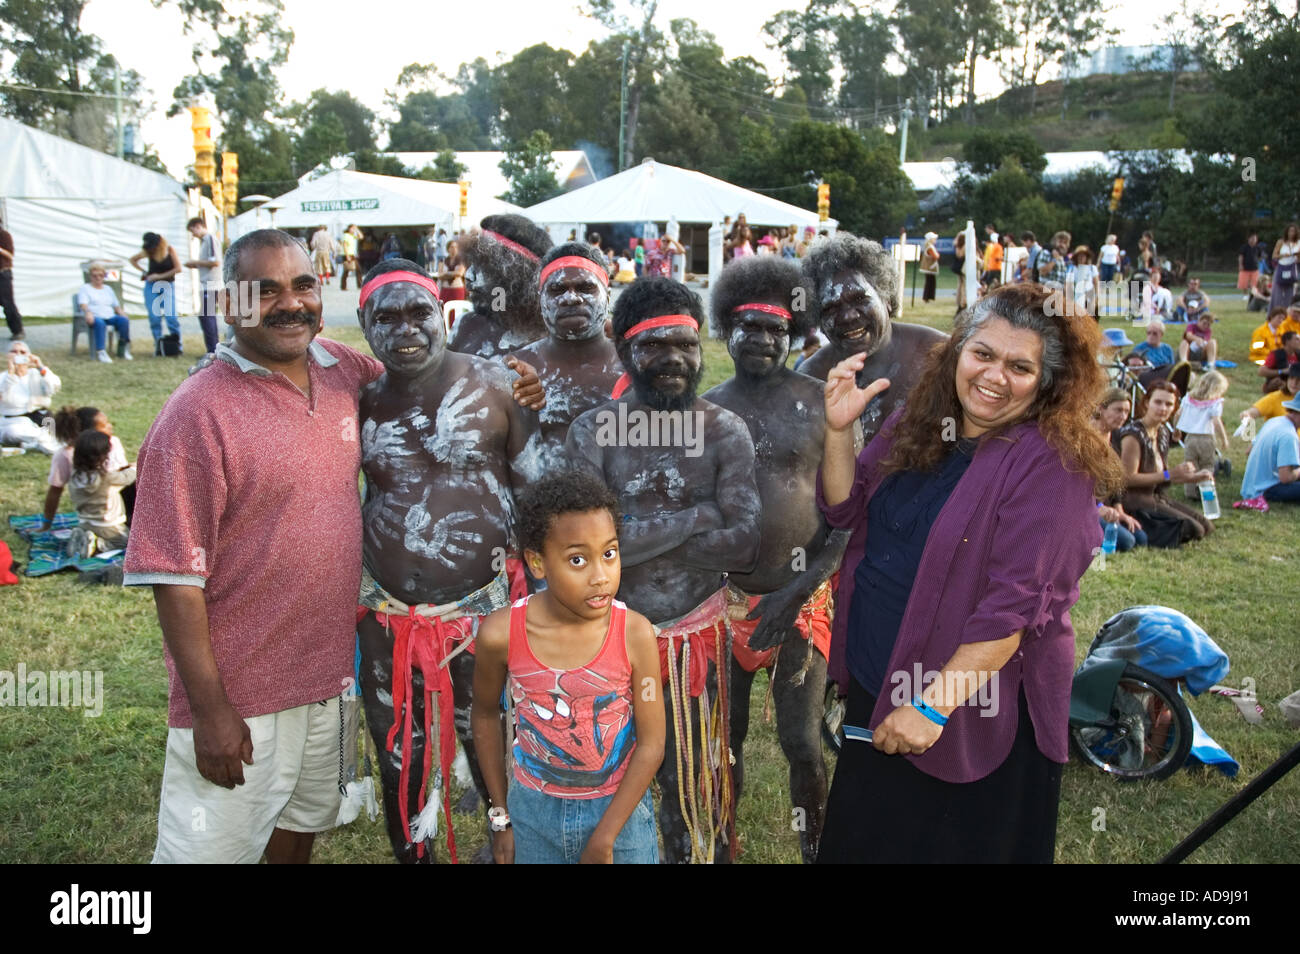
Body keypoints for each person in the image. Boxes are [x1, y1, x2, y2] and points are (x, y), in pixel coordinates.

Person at [815, 283, 1122, 863]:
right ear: (959, 349)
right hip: (885, 680)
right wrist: (838, 431)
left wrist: (931, 707)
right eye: (983, 354)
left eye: (1020, 366)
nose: (994, 376)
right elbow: (844, 506)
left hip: (970, 708)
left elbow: (1013, 607)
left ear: (1048, 381)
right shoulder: (925, 420)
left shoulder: (1052, 465)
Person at [123, 228, 385, 864]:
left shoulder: (343, 368)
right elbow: (173, 578)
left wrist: (515, 387)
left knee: (297, 839)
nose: (290, 303)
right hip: (239, 697)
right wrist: (210, 712)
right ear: (227, 302)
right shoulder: (196, 414)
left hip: (327, 680)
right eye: (264, 291)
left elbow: (421, 388)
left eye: (302, 286)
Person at [565, 277, 762, 863]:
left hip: (691, 639)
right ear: (625, 351)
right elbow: (582, 553)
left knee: (694, 778)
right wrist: (697, 516)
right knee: (605, 780)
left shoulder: (723, 429)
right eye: (654, 345)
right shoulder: (593, 431)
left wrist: (626, 541)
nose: (673, 359)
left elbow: (746, 544)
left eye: (686, 345)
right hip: (610, 640)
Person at [353, 258, 543, 863]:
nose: (406, 328)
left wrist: (542, 593)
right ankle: (413, 854)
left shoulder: (500, 384)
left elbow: (534, 493)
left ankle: (502, 843)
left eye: (419, 313)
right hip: (384, 611)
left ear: (443, 315)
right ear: (365, 325)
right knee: (397, 747)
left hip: (480, 607)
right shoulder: (357, 398)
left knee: (486, 730)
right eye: (387, 317)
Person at [702, 255, 846, 863]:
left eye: (776, 329)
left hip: (803, 598)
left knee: (803, 741)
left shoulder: (823, 403)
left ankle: (815, 846)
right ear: (725, 330)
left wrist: (796, 593)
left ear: (796, 334)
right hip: (722, 605)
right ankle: (723, 847)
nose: (762, 340)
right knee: (723, 740)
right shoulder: (704, 408)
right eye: (749, 327)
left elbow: (845, 520)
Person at [471, 472, 665, 864]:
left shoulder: (635, 634)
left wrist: (605, 837)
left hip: (620, 815)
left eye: (609, 553)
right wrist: (501, 817)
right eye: (578, 559)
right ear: (538, 563)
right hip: (533, 814)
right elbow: (485, 714)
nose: (600, 576)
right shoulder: (500, 634)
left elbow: (651, 744)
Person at [797, 233, 948, 447]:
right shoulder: (812, 379)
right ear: (819, 320)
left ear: (886, 297)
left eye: (860, 299)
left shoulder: (938, 355)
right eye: (831, 308)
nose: (849, 316)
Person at [510, 243, 623, 479]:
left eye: (586, 288)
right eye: (557, 290)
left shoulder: (635, 368)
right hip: (537, 509)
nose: (571, 298)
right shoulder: (515, 370)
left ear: (608, 296)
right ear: (540, 300)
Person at [1114, 381, 1214, 547]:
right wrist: (1169, 474)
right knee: (1194, 529)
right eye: (1158, 402)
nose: (1163, 408)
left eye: (1168, 404)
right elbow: (1127, 479)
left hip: (1157, 497)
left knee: (1206, 526)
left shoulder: (1162, 432)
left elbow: (1163, 477)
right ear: (1147, 403)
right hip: (1135, 500)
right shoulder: (1134, 435)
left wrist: (1192, 478)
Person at [449, 214, 553, 360]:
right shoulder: (465, 325)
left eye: (484, 267)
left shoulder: (552, 338)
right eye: (471, 263)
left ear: (516, 278)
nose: (469, 276)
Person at [43, 406, 131, 530]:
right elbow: (55, 490)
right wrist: (46, 523)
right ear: (89, 433)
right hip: (95, 509)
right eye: (104, 425)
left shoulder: (114, 442)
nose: (110, 426)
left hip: (122, 501)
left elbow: (124, 472)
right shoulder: (65, 455)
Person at [65, 428, 136, 557]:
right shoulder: (107, 479)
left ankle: (82, 536)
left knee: (90, 528)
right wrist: (135, 466)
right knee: (131, 543)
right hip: (108, 526)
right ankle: (99, 545)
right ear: (104, 455)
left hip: (84, 522)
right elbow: (129, 477)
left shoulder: (75, 476)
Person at [1093, 388, 1145, 551]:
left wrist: (1119, 511)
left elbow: (1116, 483)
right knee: (1126, 541)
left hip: (1105, 505)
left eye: (1126, 411)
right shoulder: (1086, 437)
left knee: (1140, 538)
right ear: (1101, 408)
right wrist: (1099, 508)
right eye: (1118, 410)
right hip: (1083, 506)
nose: (1123, 416)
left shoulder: (1114, 436)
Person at [1175, 371, 1229, 500]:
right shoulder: (1215, 403)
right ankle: (1207, 494)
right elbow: (1216, 422)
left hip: (1190, 438)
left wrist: (1176, 430)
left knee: (1191, 465)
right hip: (1206, 438)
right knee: (1207, 466)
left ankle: (1190, 492)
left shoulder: (1188, 398)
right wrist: (1224, 438)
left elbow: (1178, 414)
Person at [0, 341, 60, 453]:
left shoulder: (38, 374)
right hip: (13, 422)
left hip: (41, 418)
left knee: (58, 429)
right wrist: (10, 375)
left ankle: (34, 443)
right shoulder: (3, 378)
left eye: (22, 352)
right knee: (12, 432)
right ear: (7, 355)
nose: (18, 354)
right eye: (14, 351)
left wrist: (40, 367)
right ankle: (39, 442)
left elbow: (54, 388)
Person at [1240, 396, 1300, 504]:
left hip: (1250, 487)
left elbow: (1249, 451)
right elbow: (1285, 477)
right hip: (1266, 490)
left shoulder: (1274, 421)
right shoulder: (1289, 436)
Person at [129, 232, 183, 353]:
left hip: (167, 285)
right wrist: (144, 272)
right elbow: (132, 260)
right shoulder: (148, 252)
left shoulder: (169, 250)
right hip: (151, 286)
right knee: (154, 317)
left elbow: (178, 269)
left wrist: (158, 276)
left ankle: (177, 344)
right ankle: (159, 345)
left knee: (171, 316)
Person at [76, 264, 133, 363]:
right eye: (95, 276)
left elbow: (116, 305)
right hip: (95, 316)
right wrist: (88, 313)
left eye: (100, 275)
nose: (98, 278)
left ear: (104, 276)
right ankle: (101, 351)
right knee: (100, 323)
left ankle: (123, 349)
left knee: (124, 321)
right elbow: (83, 304)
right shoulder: (85, 288)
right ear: (91, 276)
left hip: (109, 315)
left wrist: (122, 313)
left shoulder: (108, 289)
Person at [184, 217, 222, 353]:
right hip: (207, 284)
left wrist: (196, 262)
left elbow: (215, 262)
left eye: (192, 231)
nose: (193, 235)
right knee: (206, 316)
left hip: (212, 284)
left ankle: (213, 349)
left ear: (198, 226)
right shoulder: (205, 241)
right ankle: (213, 348)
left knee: (207, 316)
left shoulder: (210, 239)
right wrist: (196, 265)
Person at [0, 212, 24, 340]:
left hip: (3, 274)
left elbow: (10, 255)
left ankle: (17, 330)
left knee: (8, 304)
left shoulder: (4, 235)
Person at [1270, 223, 1299, 312]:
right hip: (1281, 267)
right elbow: (1274, 256)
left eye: (1293, 231)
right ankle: (1274, 312)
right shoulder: (1281, 242)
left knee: (1290, 293)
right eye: (1290, 231)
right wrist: (1282, 255)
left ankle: (1287, 312)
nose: (1291, 233)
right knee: (1277, 292)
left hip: (1292, 268)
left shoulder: (1298, 243)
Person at [1069, 246, 1099, 317]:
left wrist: (1096, 296)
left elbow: (1096, 283)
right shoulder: (1072, 269)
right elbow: (1068, 284)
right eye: (1079, 256)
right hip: (1077, 295)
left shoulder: (1092, 268)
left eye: (1083, 256)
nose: (1081, 258)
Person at [340, 224, 362, 291]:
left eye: (354, 229)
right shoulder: (346, 235)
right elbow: (345, 246)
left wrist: (357, 230)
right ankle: (343, 286)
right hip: (348, 255)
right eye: (352, 228)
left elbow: (361, 237)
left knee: (358, 269)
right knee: (346, 271)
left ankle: (360, 285)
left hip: (352, 255)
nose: (353, 230)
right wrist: (347, 256)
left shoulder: (352, 236)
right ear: (349, 229)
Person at [980, 224, 1003, 290]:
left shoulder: (993, 236)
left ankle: (986, 290)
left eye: (987, 229)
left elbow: (993, 246)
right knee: (993, 279)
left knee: (986, 280)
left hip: (994, 265)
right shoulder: (996, 241)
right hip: (993, 265)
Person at [919, 232, 940, 302]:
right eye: (934, 239)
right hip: (929, 268)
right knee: (929, 282)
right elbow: (935, 256)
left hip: (930, 268)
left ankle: (929, 297)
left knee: (931, 282)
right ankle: (927, 297)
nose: (935, 240)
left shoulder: (929, 246)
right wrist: (937, 255)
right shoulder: (930, 247)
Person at [953, 232, 968, 312]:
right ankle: (963, 301)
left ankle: (958, 300)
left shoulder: (957, 246)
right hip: (963, 268)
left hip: (958, 268)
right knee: (964, 286)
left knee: (960, 285)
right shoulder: (965, 247)